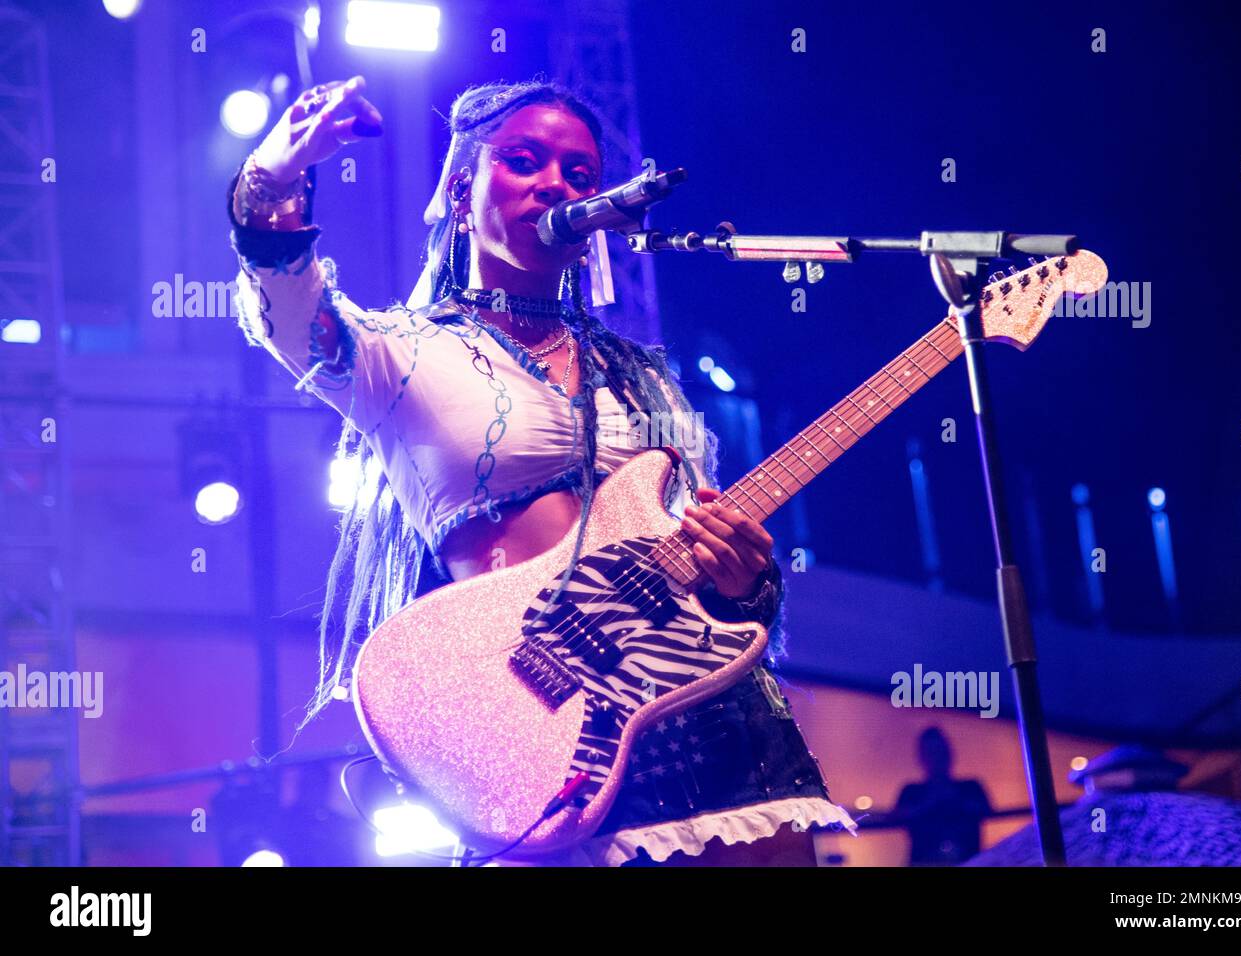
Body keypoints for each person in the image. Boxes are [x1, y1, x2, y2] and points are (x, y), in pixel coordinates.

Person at [225, 75, 857, 866]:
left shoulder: (643, 375)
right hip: (534, 732)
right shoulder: (397, 354)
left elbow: (711, 562)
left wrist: (748, 581)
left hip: (716, 724)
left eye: (580, 174)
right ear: (462, 191)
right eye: (523, 160)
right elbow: (288, 309)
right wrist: (275, 174)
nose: (556, 184)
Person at [883, 727, 991, 865]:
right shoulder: (911, 792)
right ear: (922, 758)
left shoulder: (971, 788)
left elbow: (986, 811)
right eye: (932, 753)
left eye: (940, 752)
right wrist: (928, 804)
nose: (937, 758)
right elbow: (893, 819)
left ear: (950, 754)